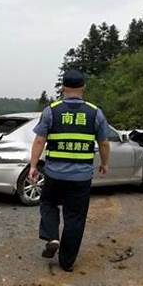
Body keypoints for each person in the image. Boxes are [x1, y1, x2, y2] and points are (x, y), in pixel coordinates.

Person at [29, 69, 110, 272]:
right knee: (75, 217)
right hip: (81, 178)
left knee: (48, 203)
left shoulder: (52, 110)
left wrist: (33, 165)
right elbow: (104, 143)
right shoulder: (95, 112)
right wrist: (104, 163)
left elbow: (40, 140)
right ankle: (66, 262)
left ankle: (52, 236)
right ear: (83, 87)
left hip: (55, 174)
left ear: (63, 87)